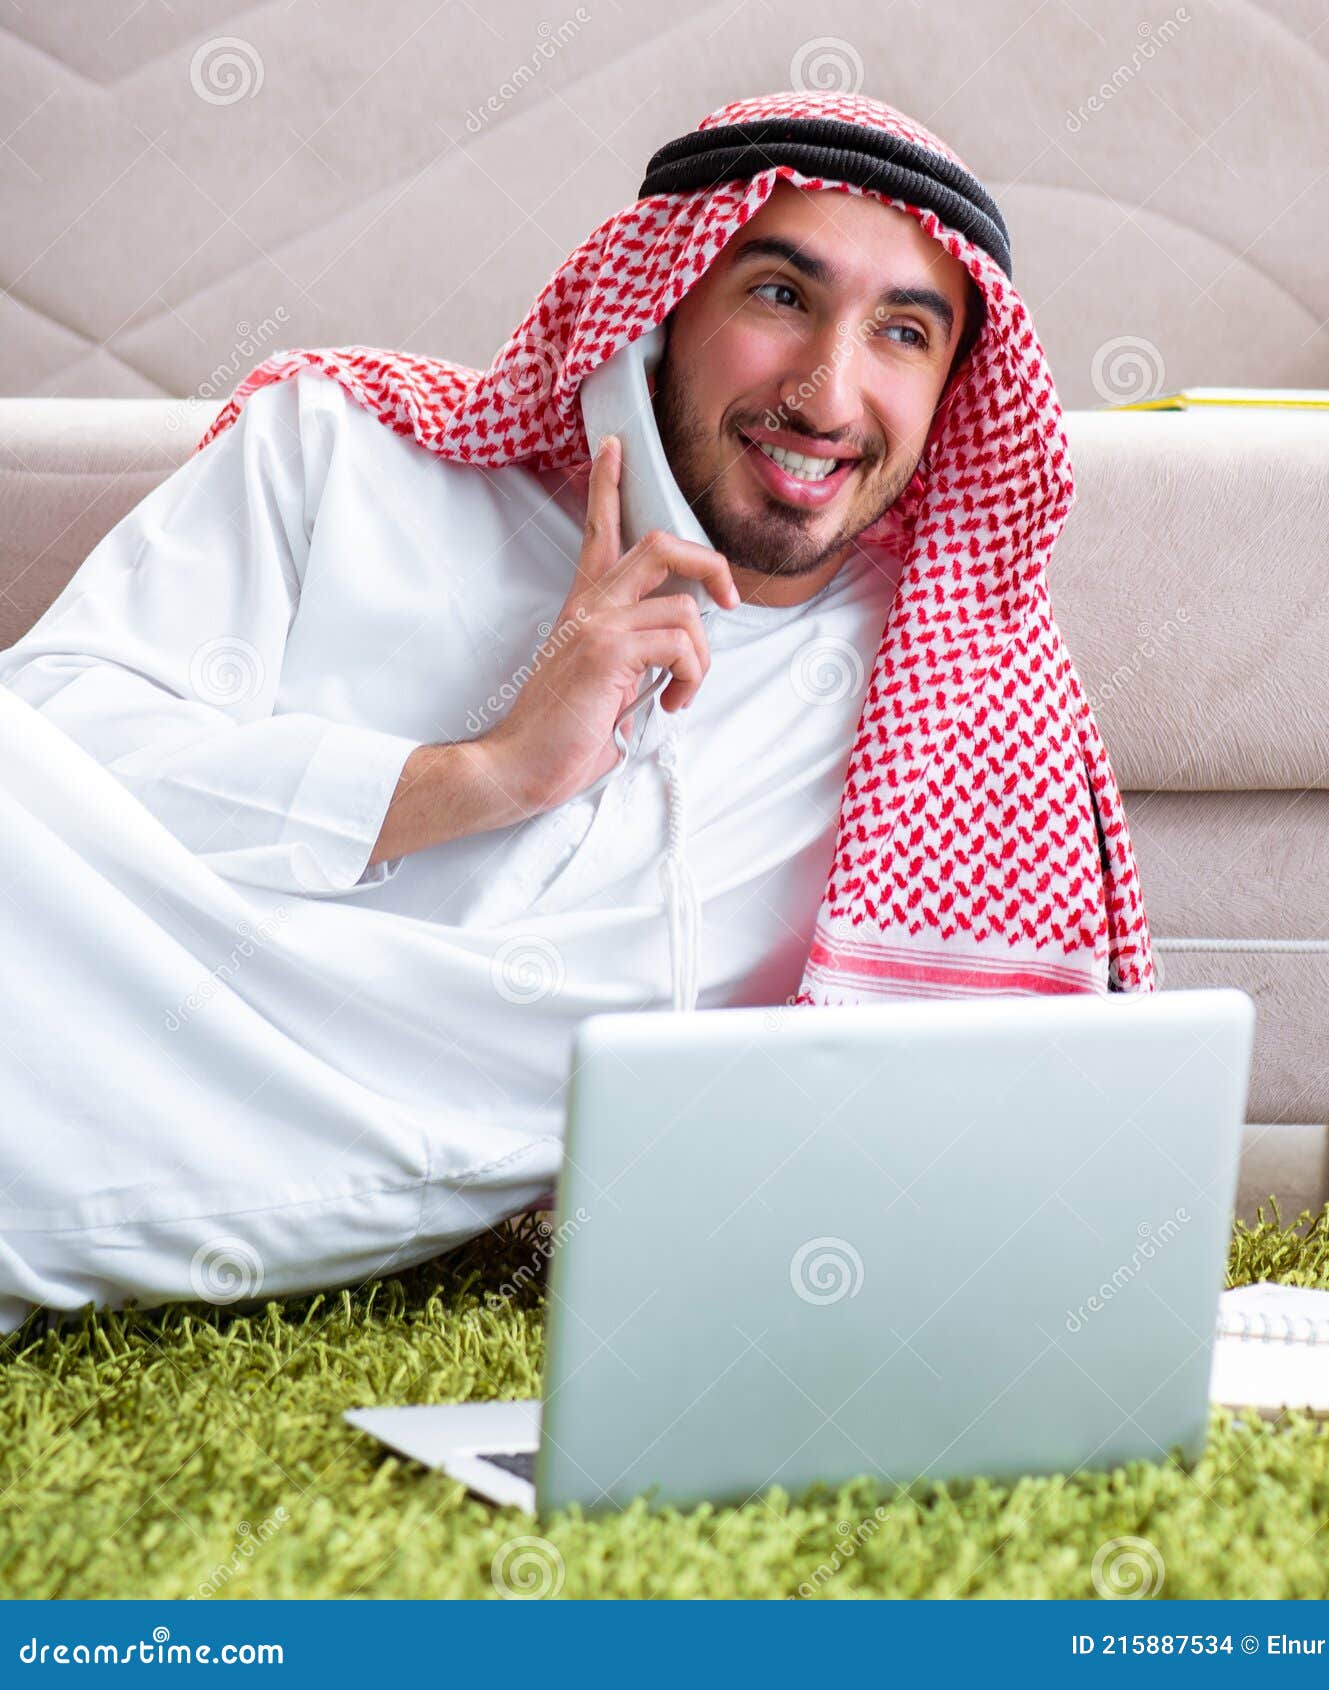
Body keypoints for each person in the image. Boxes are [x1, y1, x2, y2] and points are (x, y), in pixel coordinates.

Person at [0, 91, 1154, 1334]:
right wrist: (479, 776)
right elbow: (55, 739)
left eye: (903, 334)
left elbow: (974, 1160)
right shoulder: (336, 453)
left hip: (256, 1181)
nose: (826, 395)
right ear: (657, 310)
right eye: (778, 297)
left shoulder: (946, 698)